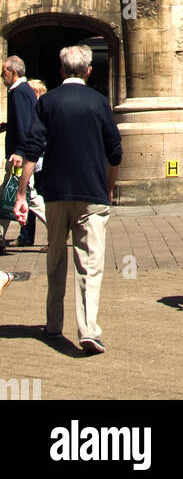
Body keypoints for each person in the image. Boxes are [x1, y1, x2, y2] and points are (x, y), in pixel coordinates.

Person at [7, 44, 122, 355]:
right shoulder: (100, 103)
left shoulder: (48, 102)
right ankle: (88, 330)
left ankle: (53, 323)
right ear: (88, 71)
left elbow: (32, 149)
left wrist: (21, 193)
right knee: (90, 264)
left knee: (55, 259)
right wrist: (108, 188)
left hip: (55, 193)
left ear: (60, 71)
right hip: (92, 194)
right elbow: (115, 152)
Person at [1, 55, 46, 252]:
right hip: (23, 152)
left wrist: (19, 150)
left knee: (28, 195)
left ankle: (58, 230)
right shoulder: (24, 90)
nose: (2, 76)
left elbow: (25, 125)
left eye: (4, 72)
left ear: (14, 72)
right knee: (8, 193)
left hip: (21, 155)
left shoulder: (18, 92)